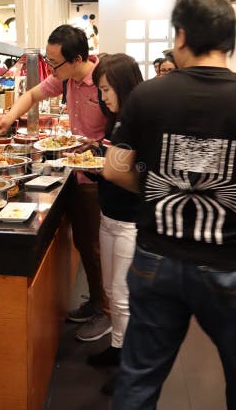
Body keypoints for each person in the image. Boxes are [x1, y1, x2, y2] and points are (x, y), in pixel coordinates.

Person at [103, 0, 236, 410]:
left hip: (156, 260)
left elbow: (115, 169)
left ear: (182, 36)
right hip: (231, 264)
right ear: (229, 39)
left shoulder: (148, 96)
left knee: (137, 382)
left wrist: (159, 191)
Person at [0, 24, 110, 342]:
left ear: (78, 58)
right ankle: (98, 302)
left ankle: (107, 313)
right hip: (77, 172)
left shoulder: (103, 80)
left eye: (55, 64)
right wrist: (7, 116)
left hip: (100, 177)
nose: (52, 71)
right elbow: (31, 94)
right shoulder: (66, 78)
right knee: (86, 244)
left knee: (98, 248)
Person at [85, 54, 144, 396]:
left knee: (123, 297)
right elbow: (112, 159)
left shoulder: (138, 121)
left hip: (130, 222)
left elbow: (137, 174)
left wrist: (104, 168)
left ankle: (130, 367)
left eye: (106, 90)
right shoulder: (116, 120)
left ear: (123, 85)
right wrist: (97, 154)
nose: (103, 97)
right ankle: (117, 348)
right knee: (110, 291)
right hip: (109, 215)